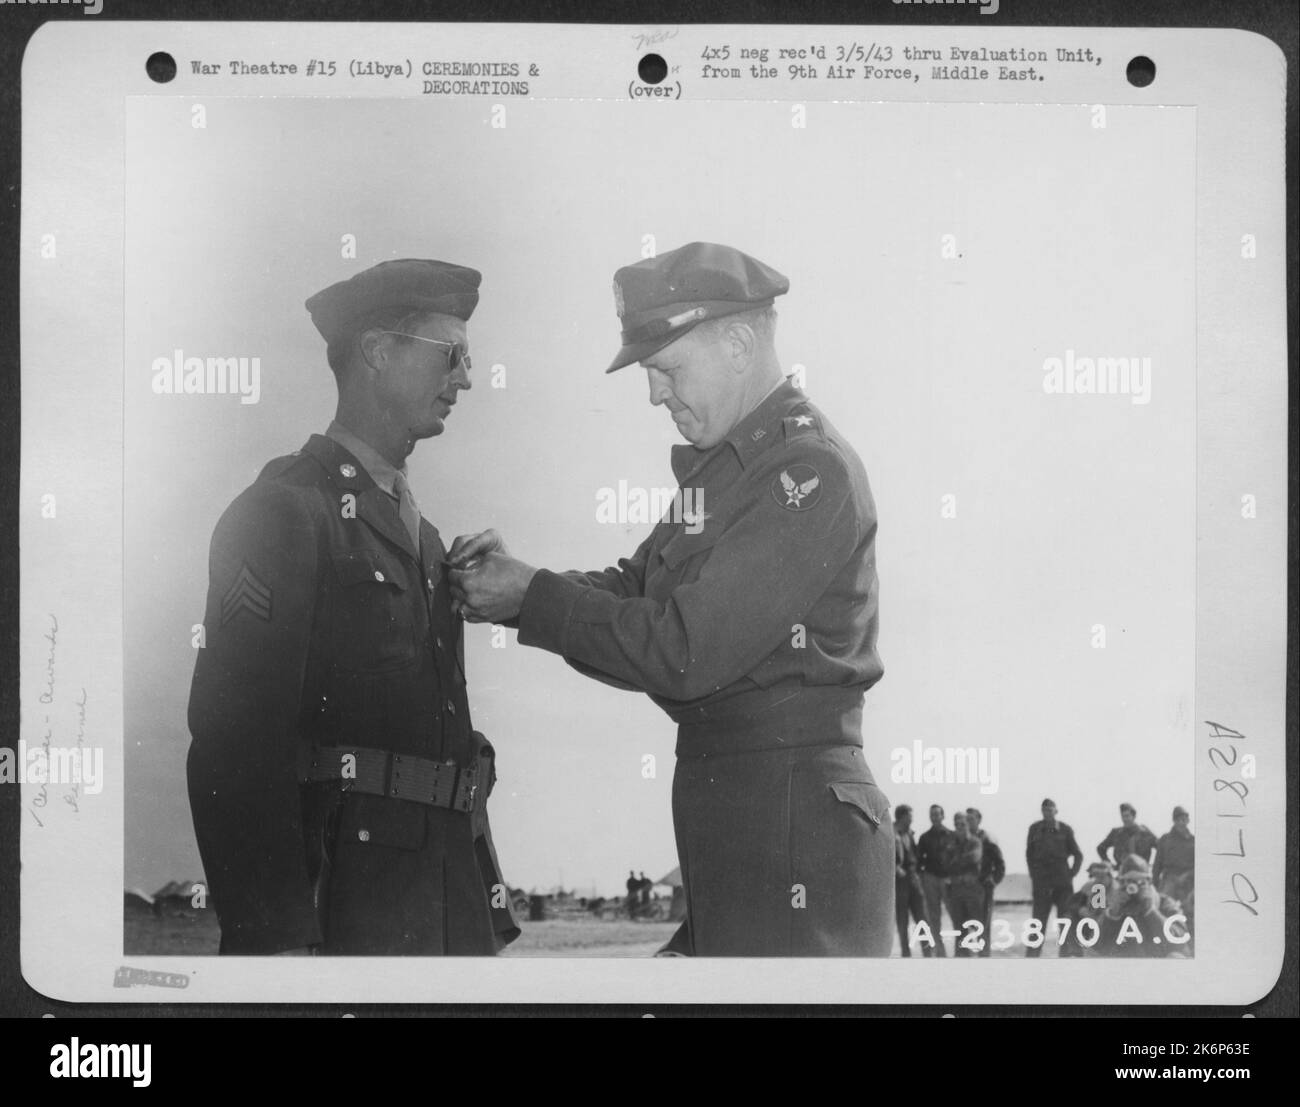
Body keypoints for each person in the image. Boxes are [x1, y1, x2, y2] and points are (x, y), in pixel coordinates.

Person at [449, 242, 892, 956]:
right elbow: (635, 587)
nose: (656, 394)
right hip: (742, 816)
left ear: (741, 344)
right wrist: (515, 587)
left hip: (789, 821)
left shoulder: (805, 472)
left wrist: (531, 597)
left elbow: (684, 648)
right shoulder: (728, 471)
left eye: (666, 368)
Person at [187, 259, 518, 956]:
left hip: (445, 908)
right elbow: (233, 741)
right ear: (376, 351)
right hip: (343, 913)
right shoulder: (284, 509)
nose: (465, 377)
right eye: (451, 355)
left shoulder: (425, 540)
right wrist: (273, 934)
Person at [1024, 798, 1082, 957]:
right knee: (1037, 923)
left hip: (1062, 883)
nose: (1047, 813)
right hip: (1042, 883)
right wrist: (1034, 874)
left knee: (1065, 921)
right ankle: (1031, 959)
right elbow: (1029, 854)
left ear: (1056, 811)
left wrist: (1071, 874)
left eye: (1050, 810)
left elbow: (1078, 854)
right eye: (1044, 810)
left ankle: (1064, 958)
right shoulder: (1034, 829)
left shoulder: (1065, 830)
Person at [965, 807, 1004, 958]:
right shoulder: (962, 839)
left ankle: (984, 962)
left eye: (971, 819)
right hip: (967, 889)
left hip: (984, 890)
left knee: (983, 928)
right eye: (966, 820)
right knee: (966, 928)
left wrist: (993, 880)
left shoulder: (987, 838)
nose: (968, 823)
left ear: (979, 820)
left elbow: (1000, 864)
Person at [945, 811, 984, 957]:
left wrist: (956, 860)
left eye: (962, 824)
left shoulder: (975, 842)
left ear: (968, 825)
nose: (959, 827)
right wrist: (959, 862)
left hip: (972, 892)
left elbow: (974, 858)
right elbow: (946, 864)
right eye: (956, 825)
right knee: (959, 931)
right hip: (956, 892)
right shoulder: (950, 844)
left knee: (978, 929)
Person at [916, 805, 954, 957]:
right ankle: (941, 953)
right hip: (930, 879)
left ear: (943, 816)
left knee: (955, 915)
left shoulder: (952, 835)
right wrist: (923, 879)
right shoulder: (924, 837)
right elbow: (919, 861)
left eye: (937, 814)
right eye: (932, 815)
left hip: (948, 880)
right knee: (934, 918)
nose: (934, 817)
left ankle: (962, 952)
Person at [893, 805, 928, 957]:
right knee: (902, 921)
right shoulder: (891, 833)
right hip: (900, 883)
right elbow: (885, 855)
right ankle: (906, 955)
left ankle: (928, 953)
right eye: (910, 816)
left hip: (914, 880)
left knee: (923, 918)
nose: (912, 819)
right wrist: (895, 868)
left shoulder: (910, 834)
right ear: (902, 817)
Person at [1152, 806, 1195, 906]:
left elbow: (1199, 866)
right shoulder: (1165, 839)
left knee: (1191, 908)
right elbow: (1157, 864)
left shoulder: (1194, 841)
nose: (1181, 823)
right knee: (1162, 905)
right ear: (1174, 821)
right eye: (1178, 820)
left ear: (1188, 821)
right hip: (1169, 878)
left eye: (1184, 820)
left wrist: (1188, 875)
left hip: (1188, 880)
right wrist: (1154, 884)